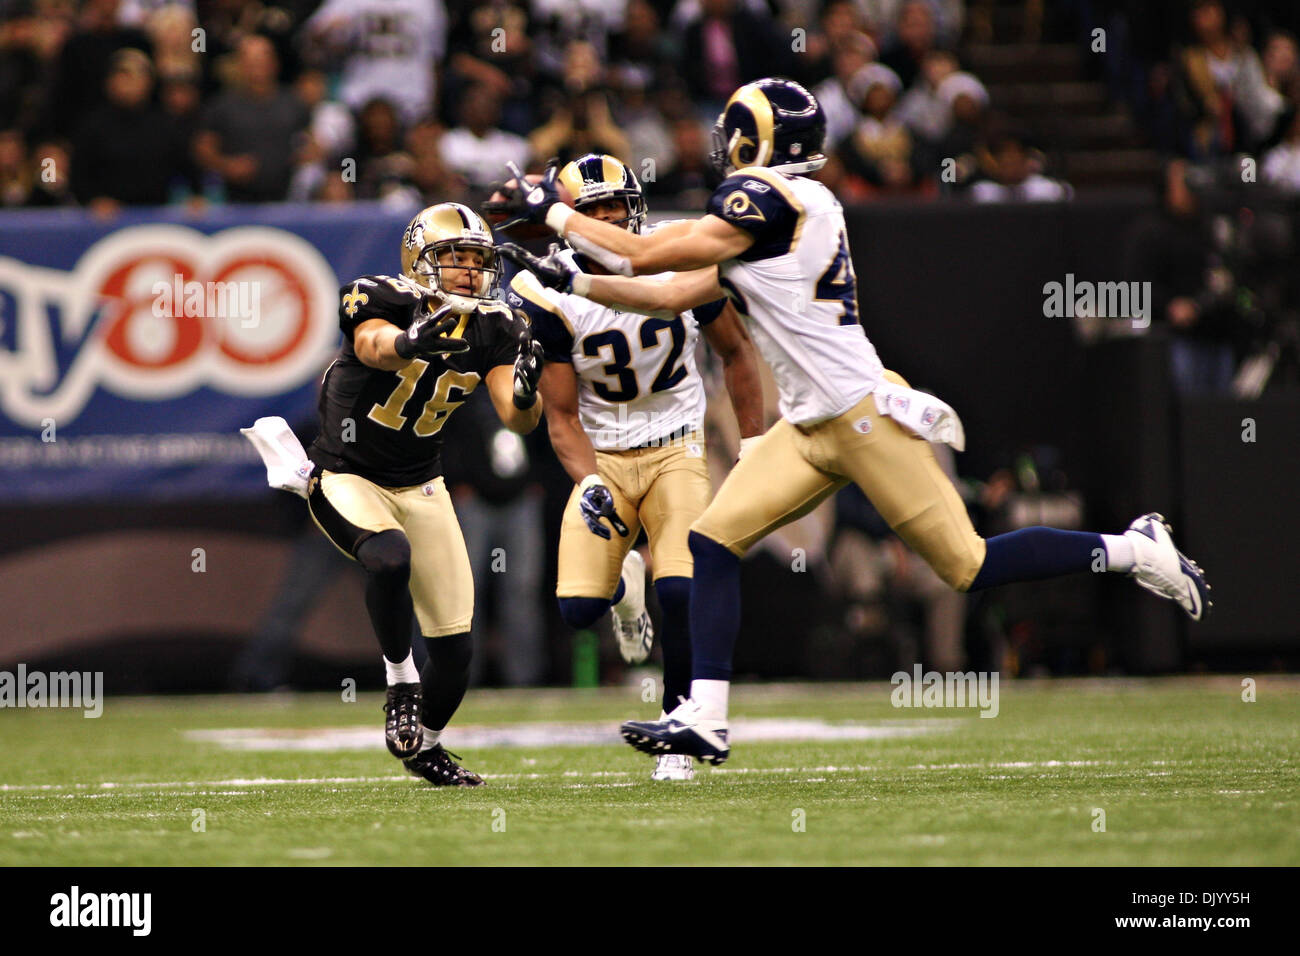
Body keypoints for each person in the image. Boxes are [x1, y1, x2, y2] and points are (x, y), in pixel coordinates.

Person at [496, 78, 1212, 767]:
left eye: (735, 131)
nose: (725, 144)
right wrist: (578, 282)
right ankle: (705, 719)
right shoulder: (790, 205)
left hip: (861, 415)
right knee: (711, 543)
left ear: (757, 139)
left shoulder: (767, 197)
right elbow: (673, 291)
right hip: (808, 427)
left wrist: (552, 211)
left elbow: (653, 254)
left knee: (968, 563)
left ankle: (1134, 548)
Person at [500, 153, 764, 781]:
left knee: (683, 590)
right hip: (608, 453)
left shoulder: (680, 253)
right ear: (568, 219)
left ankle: (679, 732)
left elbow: (737, 351)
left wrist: (754, 446)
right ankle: (624, 593)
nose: (609, 218)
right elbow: (561, 416)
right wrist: (589, 481)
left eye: (615, 206)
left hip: (677, 445)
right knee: (576, 611)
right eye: (593, 210)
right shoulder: (544, 288)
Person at [305, 202, 545, 785]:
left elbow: (518, 419)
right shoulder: (379, 294)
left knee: (458, 650)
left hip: (422, 483)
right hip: (347, 474)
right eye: (454, 258)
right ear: (420, 259)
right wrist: (411, 342)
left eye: (477, 260)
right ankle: (398, 679)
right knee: (388, 557)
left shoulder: (497, 324)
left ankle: (427, 748)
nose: (467, 271)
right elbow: (372, 345)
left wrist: (527, 389)